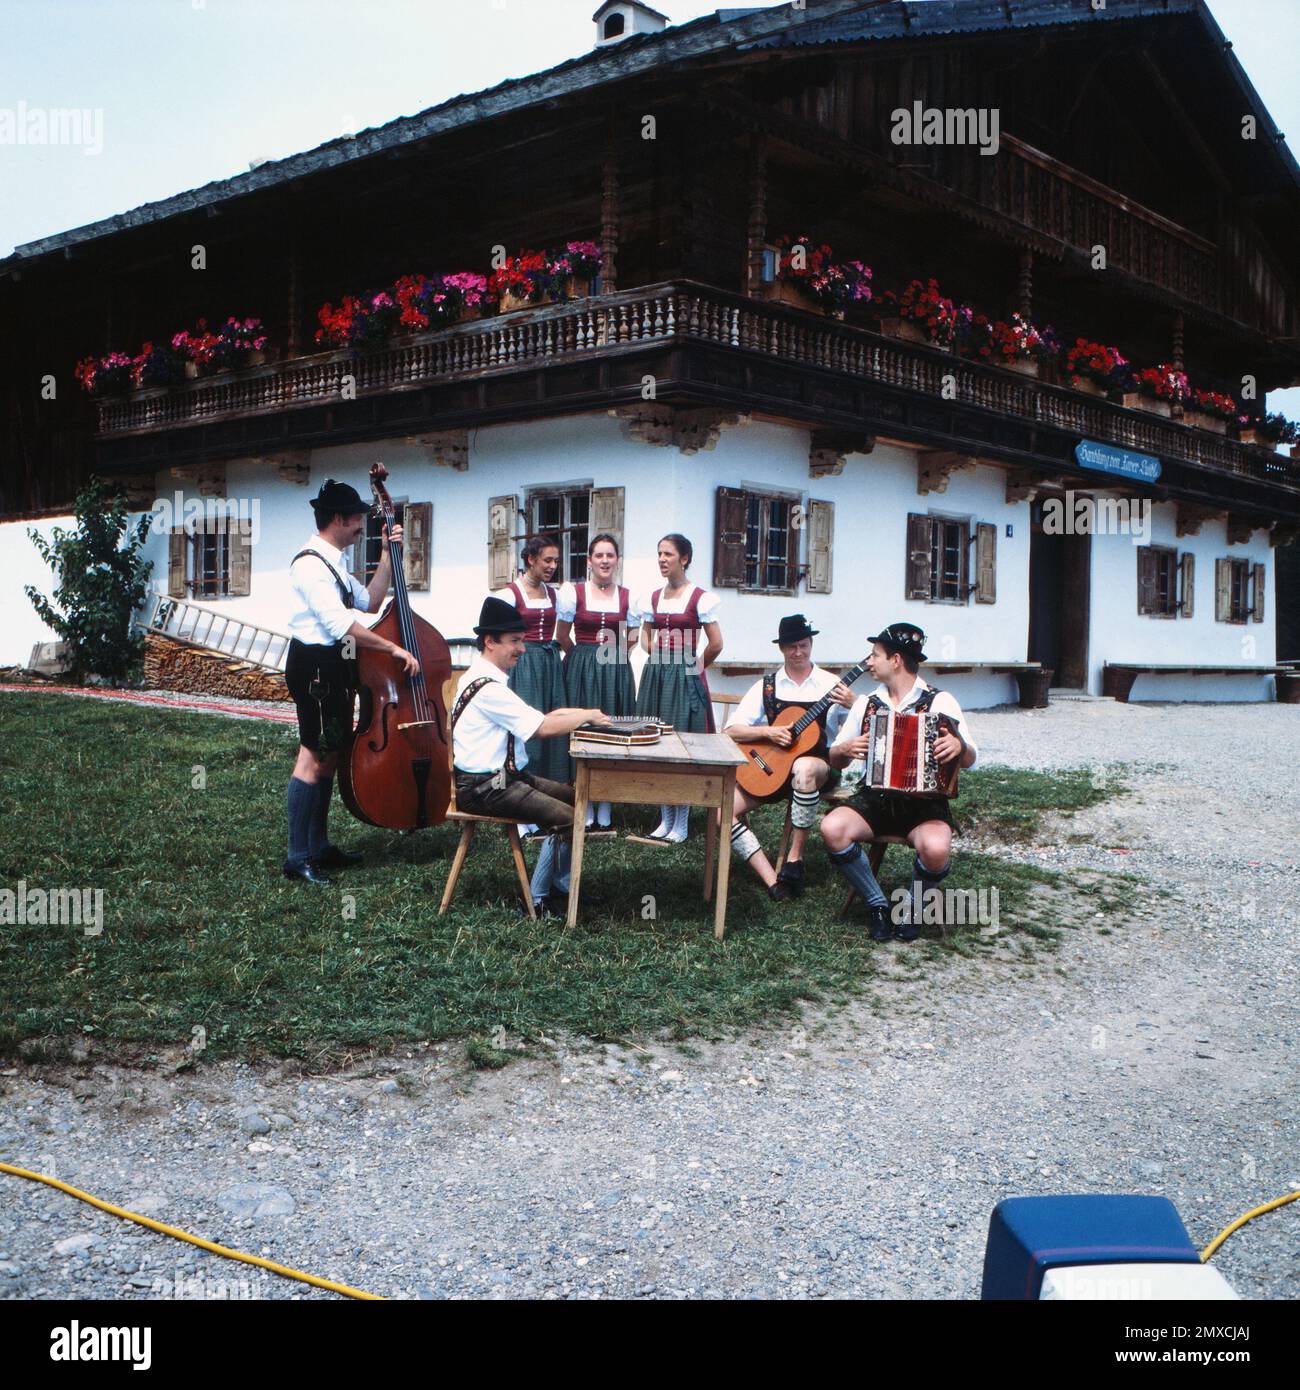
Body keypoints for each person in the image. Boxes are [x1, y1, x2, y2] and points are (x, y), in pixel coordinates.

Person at [282, 479, 419, 884]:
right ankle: (296, 857)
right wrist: (393, 650)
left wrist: (386, 555)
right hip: (316, 667)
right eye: (358, 518)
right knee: (312, 755)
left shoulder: (333, 561)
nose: (362, 524)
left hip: (335, 664)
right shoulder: (309, 565)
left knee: (330, 755)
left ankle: (319, 847)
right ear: (339, 519)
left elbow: (371, 600)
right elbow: (341, 623)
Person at [821, 622, 978, 942]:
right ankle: (878, 904)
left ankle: (914, 908)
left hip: (925, 804)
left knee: (936, 848)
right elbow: (834, 758)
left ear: (895, 660)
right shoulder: (866, 704)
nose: (870, 662)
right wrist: (844, 749)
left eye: (875, 655)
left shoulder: (940, 701)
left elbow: (971, 757)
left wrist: (960, 747)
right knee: (832, 828)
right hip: (876, 799)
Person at [453, 596, 609, 915]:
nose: (522, 649)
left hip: (503, 779)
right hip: (485, 788)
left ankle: (560, 886)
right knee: (570, 816)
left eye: (522, 641)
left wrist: (585, 712)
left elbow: (539, 716)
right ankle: (536, 899)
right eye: (515, 641)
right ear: (490, 641)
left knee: (576, 798)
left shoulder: (484, 679)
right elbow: (542, 728)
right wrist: (586, 717)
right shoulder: (490, 689)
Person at [725, 615, 855, 900]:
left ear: (811, 644)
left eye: (804, 645)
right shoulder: (768, 686)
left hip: (818, 769)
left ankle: (794, 860)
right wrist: (769, 733)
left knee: (804, 767)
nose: (798, 652)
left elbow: (864, 726)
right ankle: (773, 881)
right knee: (722, 809)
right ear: (781, 648)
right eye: (791, 647)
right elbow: (731, 730)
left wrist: (854, 704)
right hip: (773, 771)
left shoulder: (831, 684)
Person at [634, 533, 723, 844]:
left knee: (682, 743)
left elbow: (716, 644)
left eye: (668, 554)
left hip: (686, 676)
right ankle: (665, 819)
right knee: (658, 742)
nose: (662, 559)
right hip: (657, 675)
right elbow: (644, 636)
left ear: (684, 559)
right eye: (659, 553)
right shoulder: (653, 598)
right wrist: (657, 657)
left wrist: (693, 666)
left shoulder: (700, 598)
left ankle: (681, 822)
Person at [555, 532, 640, 832]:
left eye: (610, 555)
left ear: (617, 560)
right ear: (589, 561)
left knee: (613, 730)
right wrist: (582, 658)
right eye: (599, 555)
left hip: (615, 667)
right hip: (581, 665)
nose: (605, 560)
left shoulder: (629, 596)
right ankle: (585, 802)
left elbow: (632, 638)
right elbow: (562, 635)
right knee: (584, 729)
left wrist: (613, 659)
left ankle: (606, 804)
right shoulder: (573, 593)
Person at [502, 535, 570, 785]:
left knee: (551, 722)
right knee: (526, 725)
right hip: (522, 665)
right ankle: (522, 795)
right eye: (547, 560)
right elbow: (499, 638)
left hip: (548, 664)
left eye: (556, 561)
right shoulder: (509, 595)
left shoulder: (555, 595)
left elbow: (562, 633)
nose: (553, 566)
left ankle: (548, 794)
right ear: (531, 559)